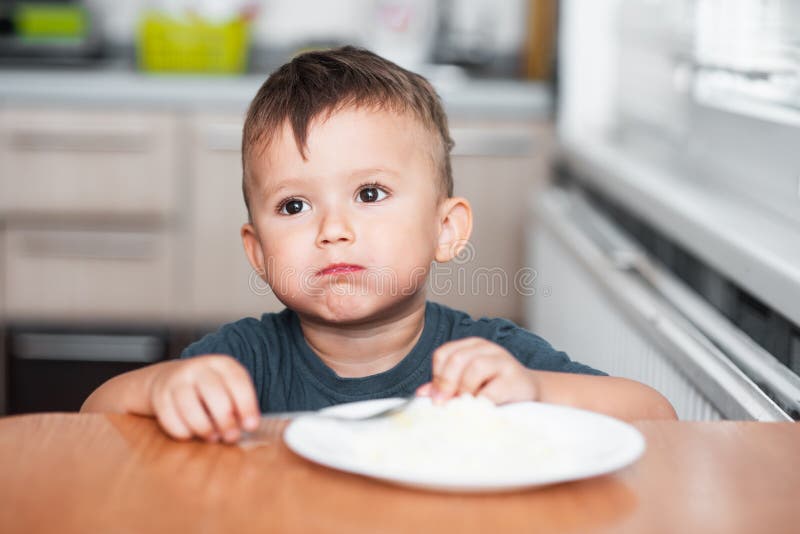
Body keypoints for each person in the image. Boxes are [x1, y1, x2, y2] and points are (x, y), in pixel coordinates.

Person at [82, 46, 676, 443]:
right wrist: (164, 389)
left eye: (369, 193)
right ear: (258, 252)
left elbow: (657, 418)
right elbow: (91, 422)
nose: (332, 229)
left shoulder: (486, 358)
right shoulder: (246, 360)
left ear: (447, 230)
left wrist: (537, 391)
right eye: (294, 206)